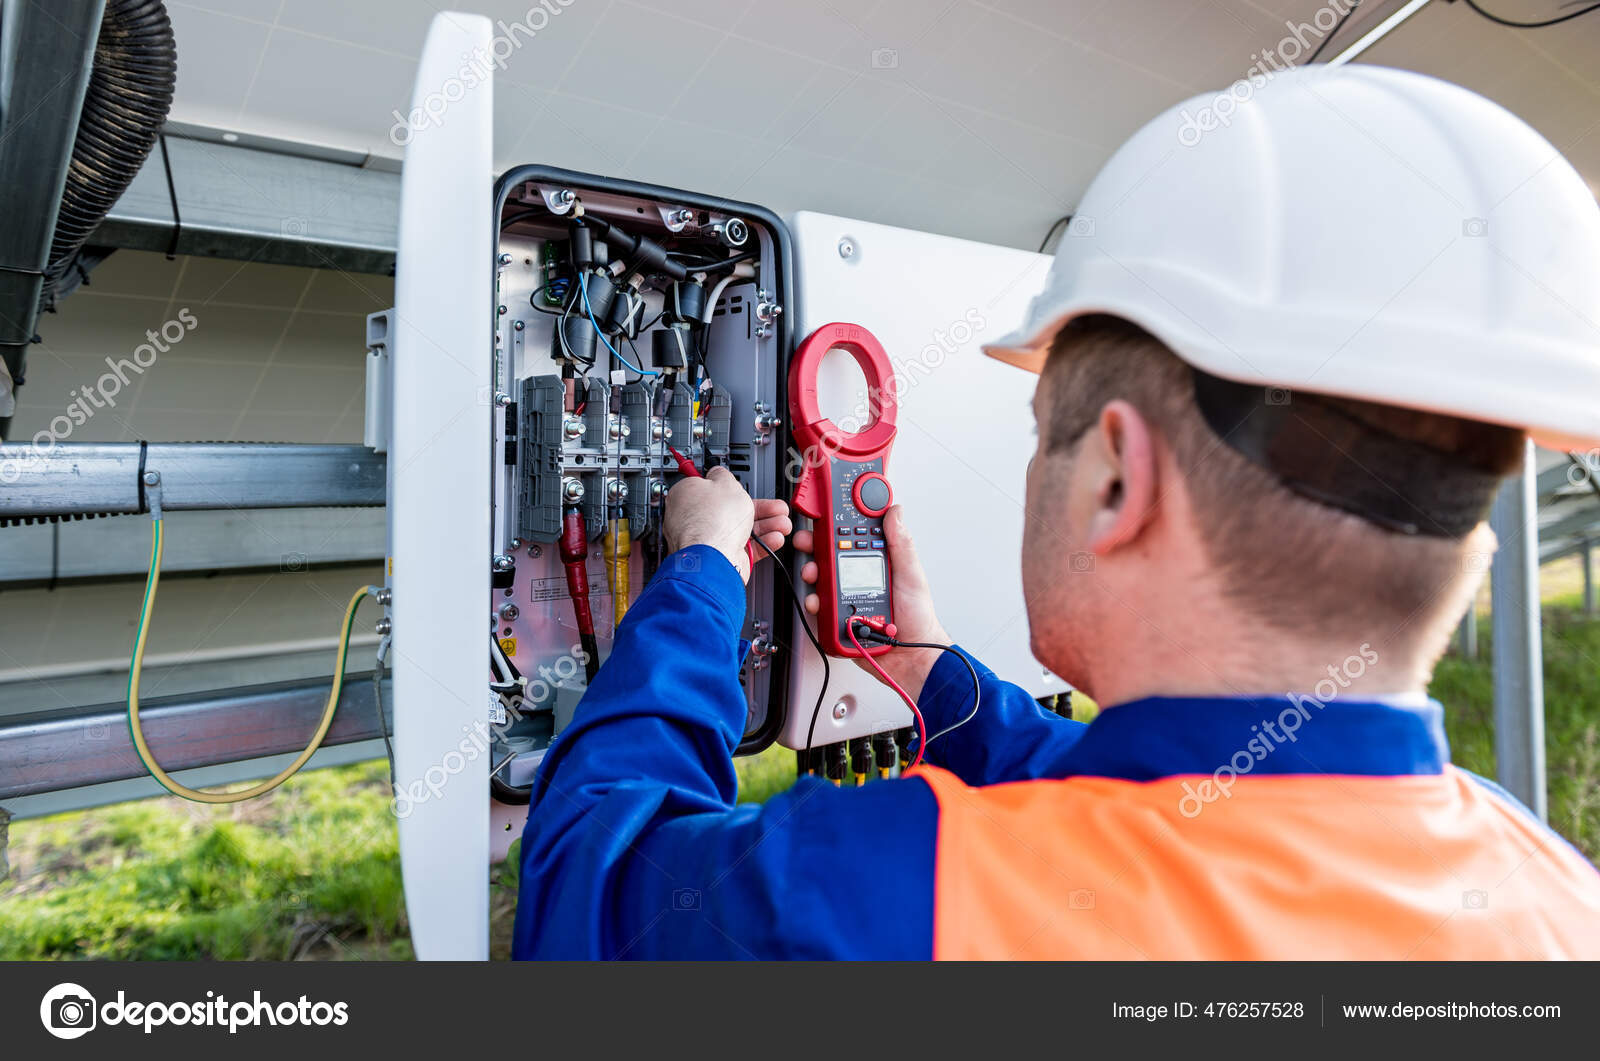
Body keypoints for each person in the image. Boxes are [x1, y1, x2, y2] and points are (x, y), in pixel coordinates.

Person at [511, 65, 1600, 959]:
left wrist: (701, 573)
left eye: (1042, 434)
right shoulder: (1548, 887)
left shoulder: (896, 895)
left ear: (1119, 478)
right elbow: (1152, 800)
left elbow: (588, 890)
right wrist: (928, 670)